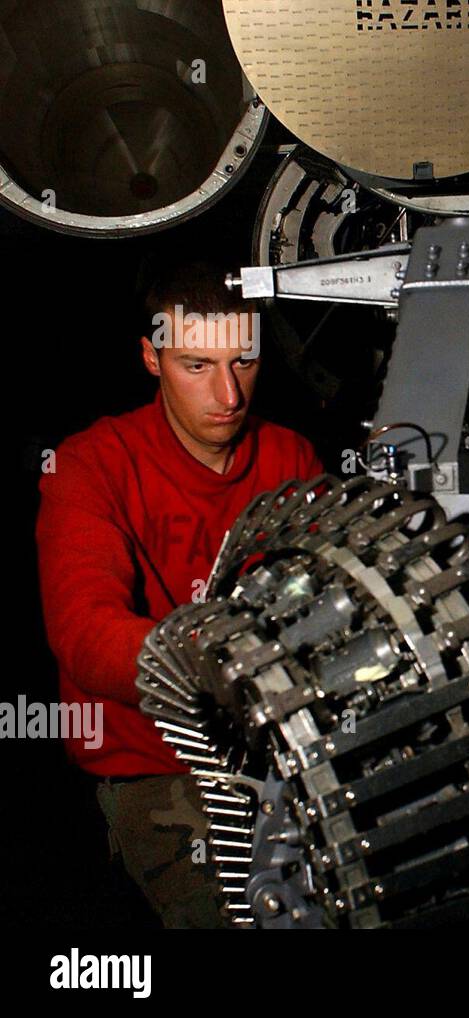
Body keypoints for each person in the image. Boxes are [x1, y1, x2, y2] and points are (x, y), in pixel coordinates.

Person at [35, 261, 323, 927]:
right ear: (151, 357)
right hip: (162, 770)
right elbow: (85, 634)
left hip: (290, 755)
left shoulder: (291, 457)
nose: (227, 393)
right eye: (197, 366)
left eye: (243, 362)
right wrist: (232, 660)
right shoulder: (91, 465)